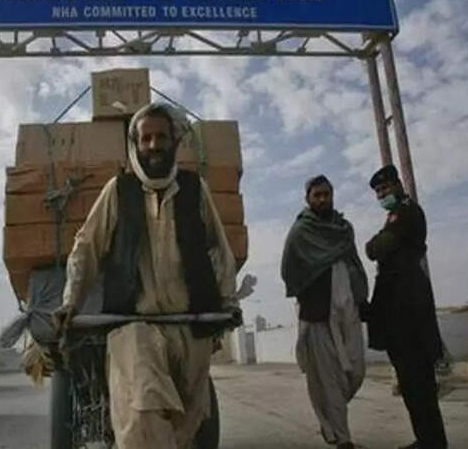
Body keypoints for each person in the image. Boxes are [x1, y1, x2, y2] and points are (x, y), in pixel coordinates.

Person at [51, 102, 240, 449]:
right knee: (143, 414)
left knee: (188, 422)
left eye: (161, 137)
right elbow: (86, 247)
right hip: (134, 325)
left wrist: (227, 299)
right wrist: (70, 301)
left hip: (190, 324)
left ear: (174, 142)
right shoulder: (118, 191)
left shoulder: (195, 189)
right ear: (135, 145)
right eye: (146, 138)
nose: (154, 145)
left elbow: (218, 247)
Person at [280, 174, 369, 449]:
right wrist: (306, 287)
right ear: (308, 199)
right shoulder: (300, 231)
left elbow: (354, 262)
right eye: (317, 195)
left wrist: (361, 296)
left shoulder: (344, 229)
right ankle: (342, 437)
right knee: (328, 378)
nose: (322, 199)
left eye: (326, 194)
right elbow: (289, 269)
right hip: (318, 313)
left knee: (356, 371)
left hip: (348, 308)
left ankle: (331, 418)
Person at [365, 164, 447, 449]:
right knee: (411, 383)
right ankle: (426, 439)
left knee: (418, 381)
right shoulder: (395, 215)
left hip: (408, 306)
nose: (382, 194)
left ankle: (432, 441)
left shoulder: (406, 212)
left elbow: (377, 248)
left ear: (398, 184)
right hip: (399, 307)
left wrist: (375, 243)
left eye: (385, 188)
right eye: (378, 191)